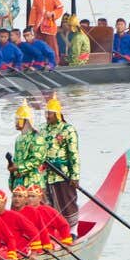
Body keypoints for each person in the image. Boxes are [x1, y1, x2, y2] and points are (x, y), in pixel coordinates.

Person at [41, 95, 80, 233]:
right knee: (48, 204)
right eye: (46, 113)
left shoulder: (68, 130)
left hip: (62, 173)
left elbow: (73, 153)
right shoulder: (42, 129)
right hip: (46, 173)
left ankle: (73, 230)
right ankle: (54, 231)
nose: (47, 116)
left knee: (67, 202)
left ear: (58, 114)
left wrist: (75, 176)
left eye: (50, 113)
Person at [9, 103, 46, 190]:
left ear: (25, 121)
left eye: (18, 119)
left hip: (33, 182)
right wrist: (12, 169)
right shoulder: (19, 139)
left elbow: (37, 160)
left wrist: (18, 167)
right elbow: (17, 160)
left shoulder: (37, 138)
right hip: (19, 182)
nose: (15, 122)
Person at [27, 0, 63, 64]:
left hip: (49, 25)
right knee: (38, 44)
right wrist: (32, 24)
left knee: (51, 44)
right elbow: (33, 11)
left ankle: (54, 62)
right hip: (38, 25)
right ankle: (40, 62)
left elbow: (60, 8)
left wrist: (53, 13)